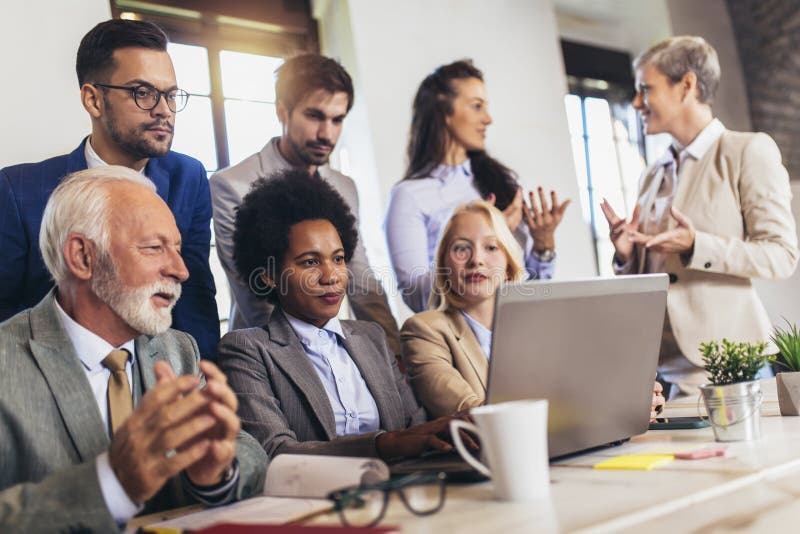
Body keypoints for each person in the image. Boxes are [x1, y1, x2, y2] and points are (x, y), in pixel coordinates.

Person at [0, 167, 266, 532]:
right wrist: (113, 484)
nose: (181, 270)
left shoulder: (178, 350)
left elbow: (246, 451)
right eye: (154, 248)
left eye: (177, 248)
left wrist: (214, 473)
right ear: (83, 257)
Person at [0, 19, 219, 360]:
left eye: (171, 95)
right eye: (143, 93)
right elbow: (7, 310)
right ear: (93, 100)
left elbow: (194, 296)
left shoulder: (187, 177)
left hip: (158, 372)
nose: (164, 110)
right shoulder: (19, 191)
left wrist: (201, 377)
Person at [217, 170, 469, 461]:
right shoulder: (247, 350)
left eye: (338, 259)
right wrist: (383, 445)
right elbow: (275, 452)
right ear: (270, 275)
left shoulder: (372, 337)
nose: (331, 276)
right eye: (310, 262)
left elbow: (415, 427)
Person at [600, 36, 799, 398]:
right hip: (661, 372)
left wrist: (697, 245)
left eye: (646, 89)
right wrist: (627, 255)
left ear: (687, 85)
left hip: (731, 366)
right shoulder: (652, 174)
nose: (636, 102)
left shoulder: (746, 151)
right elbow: (657, 273)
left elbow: (781, 255)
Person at [402, 201, 666, 419]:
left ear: (508, 266)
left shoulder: (542, 325)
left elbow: (580, 388)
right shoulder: (424, 331)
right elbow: (476, 415)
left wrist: (627, 399)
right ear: (443, 265)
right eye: (461, 248)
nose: (476, 260)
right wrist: (606, 405)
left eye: (491, 247)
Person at [210, 53, 400, 355]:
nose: (327, 134)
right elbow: (256, 295)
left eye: (337, 120)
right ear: (282, 111)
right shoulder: (231, 184)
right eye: (314, 116)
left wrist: (394, 353)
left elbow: (362, 282)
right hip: (265, 353)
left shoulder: (345, 187)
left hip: (335, 348)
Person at [385, 59, 571, 312]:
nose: (488, 119)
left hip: (514, 325)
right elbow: (416, 298)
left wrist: (543, 246)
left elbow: (531, 289)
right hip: (455, 333)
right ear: (444, 112)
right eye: (477, 106)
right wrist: (488, 233)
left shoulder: (504, 181)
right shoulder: (408, 196)